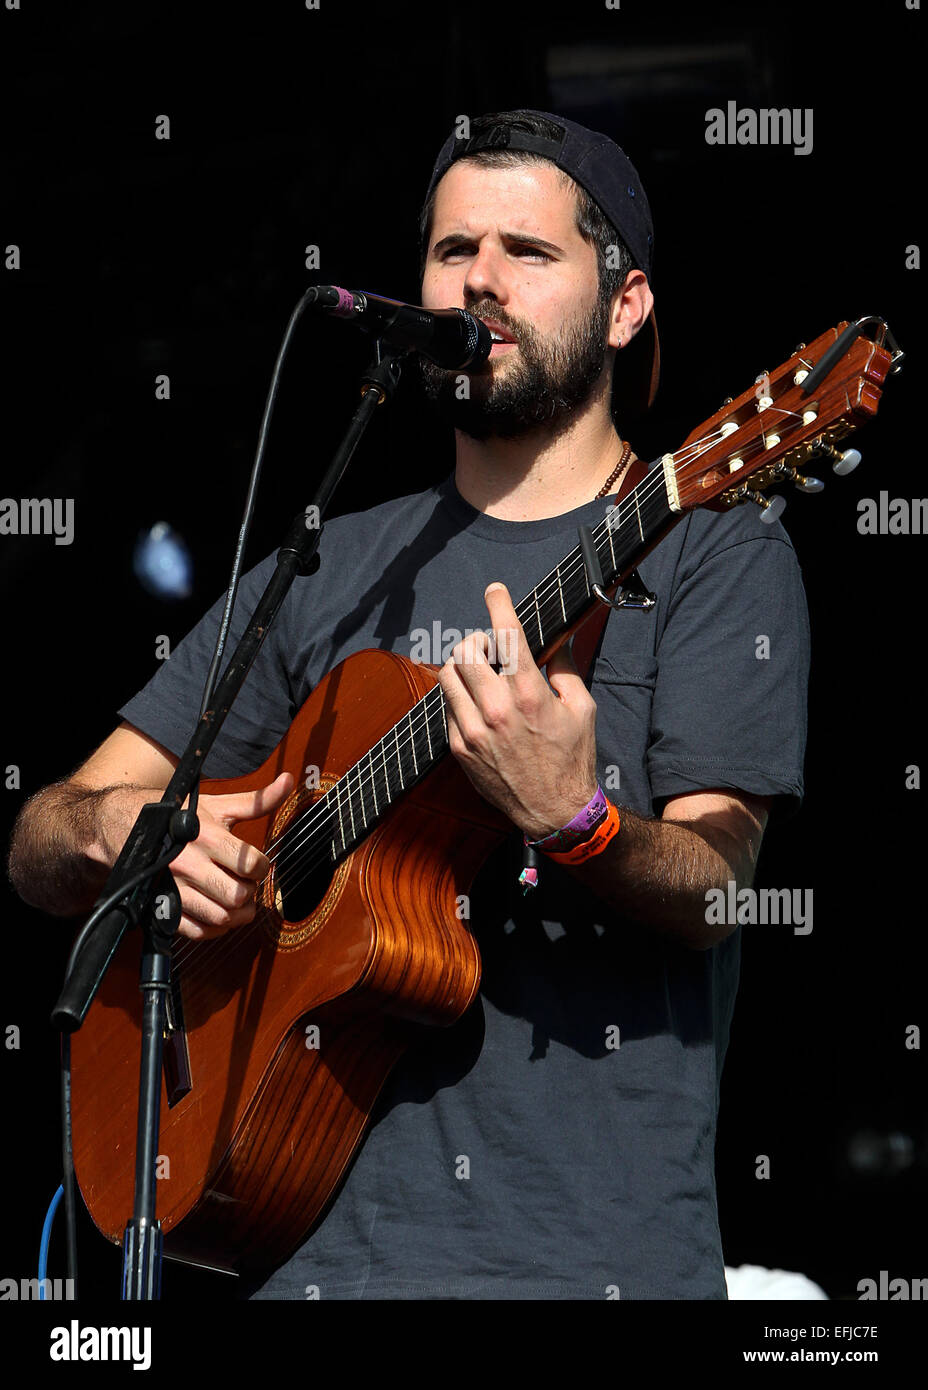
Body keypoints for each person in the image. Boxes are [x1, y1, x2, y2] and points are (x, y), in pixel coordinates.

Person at [7, 109, 809, 1300]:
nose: (479, 278)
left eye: (526, 253)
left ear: (625, 302)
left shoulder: (709, 547)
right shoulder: (337, 561)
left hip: (587, 1264)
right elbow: (43, 832)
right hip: (309, 1260)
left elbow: (727, 884)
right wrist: (132, 839)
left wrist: (572, 819)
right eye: (451, 251)